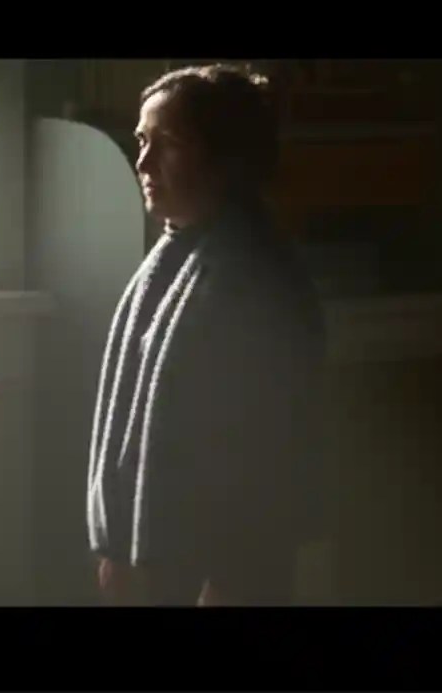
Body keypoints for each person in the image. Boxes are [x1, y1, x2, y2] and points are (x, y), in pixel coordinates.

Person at [85, 63, 327, 606]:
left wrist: (235, 573)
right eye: (141, 142)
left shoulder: (255, 276)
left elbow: (269, 445)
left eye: (166, 144)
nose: (143, 162)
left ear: (226, 156)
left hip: (222, 570)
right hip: (161, 556)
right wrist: (118, 545)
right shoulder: (174, 258)